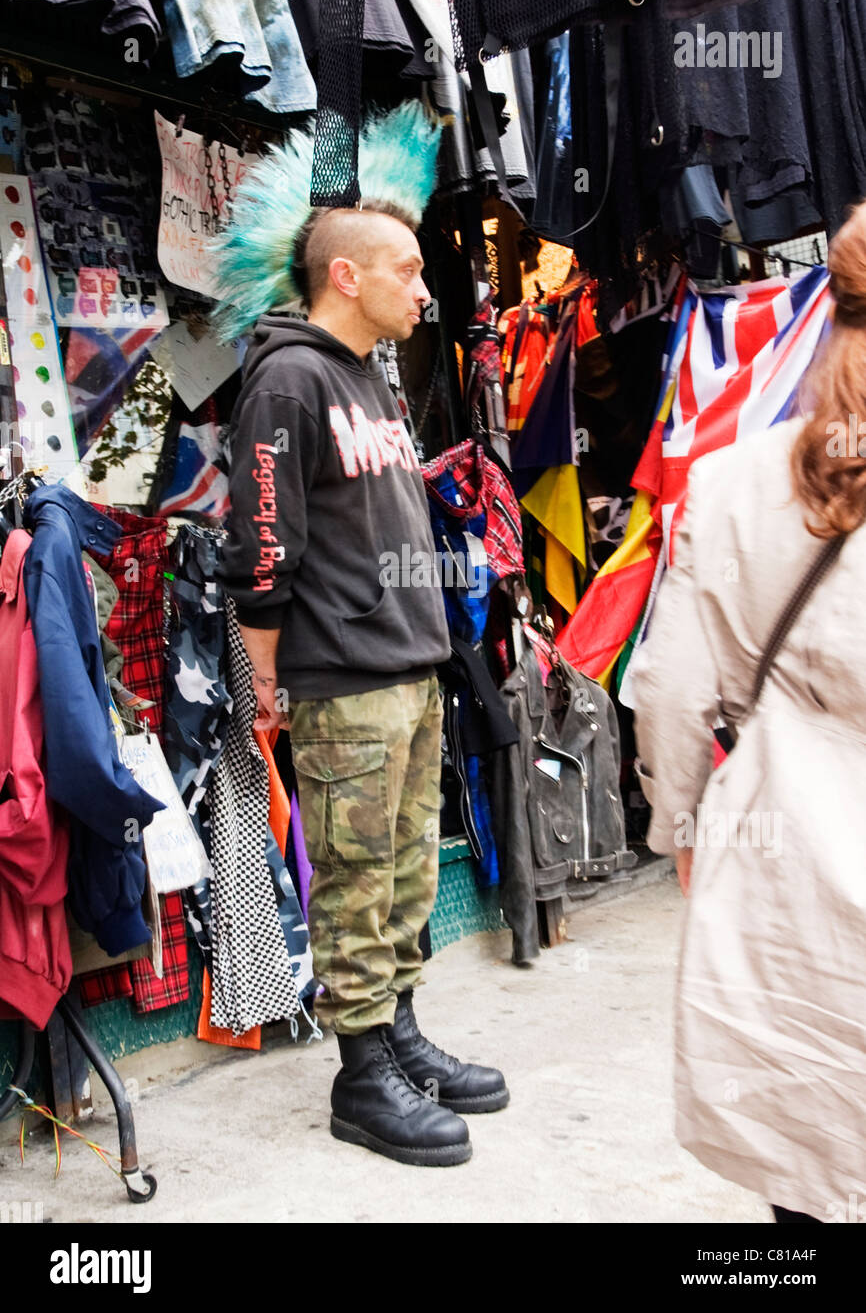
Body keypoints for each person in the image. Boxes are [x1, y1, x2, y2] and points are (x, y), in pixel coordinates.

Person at [218, 197, 509, 1168]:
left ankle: (401, 1037)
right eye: (409, 272)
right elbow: (261, 547)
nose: (425, 293)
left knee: (407, 876)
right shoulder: (289, 385)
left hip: (410, 667)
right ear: (345, 275)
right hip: (343, 681)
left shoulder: (367, 379)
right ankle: (361, 1076)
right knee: (353, 881)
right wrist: (264, 675)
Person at [632, 200, 866, 1224]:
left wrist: (678, 824)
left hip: (792, 848)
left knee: (809, 1131)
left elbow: (675, 692)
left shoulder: (730, 483)